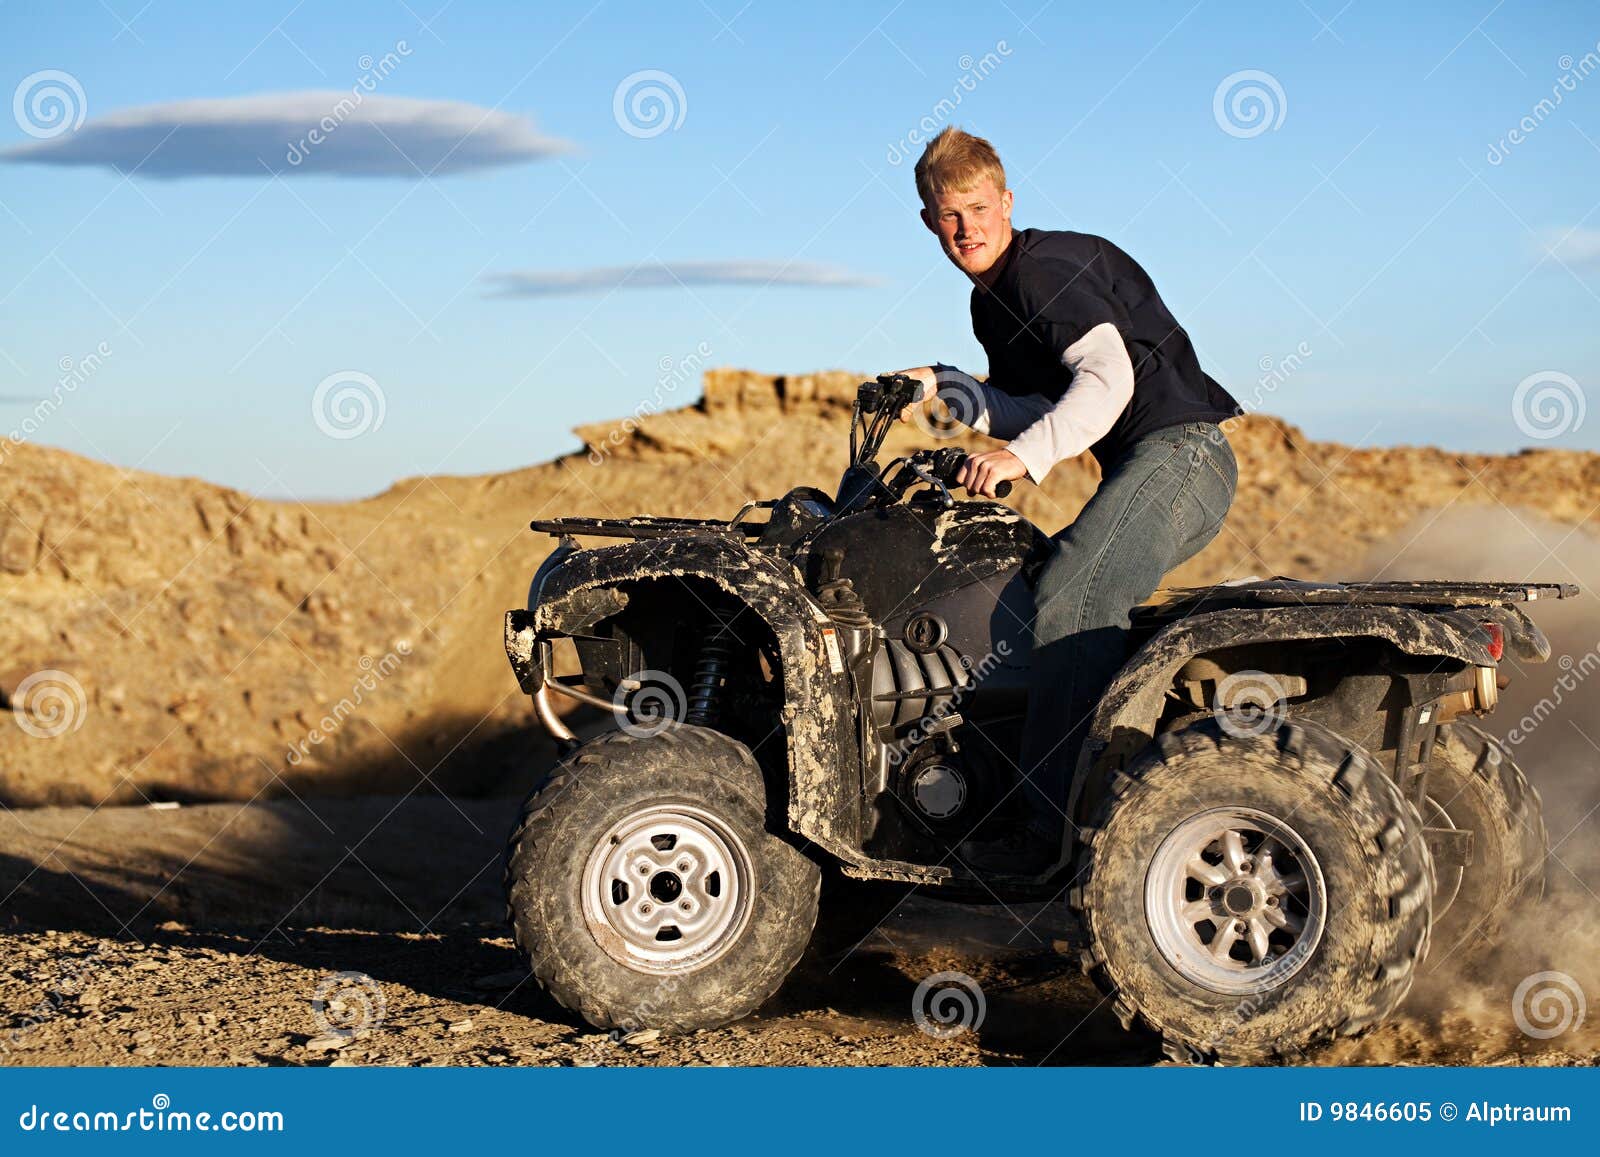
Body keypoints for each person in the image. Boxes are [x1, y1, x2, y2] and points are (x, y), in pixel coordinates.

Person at [892, 126, 1241, 872]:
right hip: (1155, 463)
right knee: (1031, 588)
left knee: (1075, 593)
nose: (967, 228)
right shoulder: (992, 301)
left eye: (979, 209)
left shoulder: (1041, 270)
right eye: (950, 215)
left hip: (1181, 454)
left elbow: (1106, 380)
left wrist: (1022, 458)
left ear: (1007, 202)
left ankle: (1047, 835)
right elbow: (1037, 406)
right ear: (928, 221)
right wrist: (943, 383)